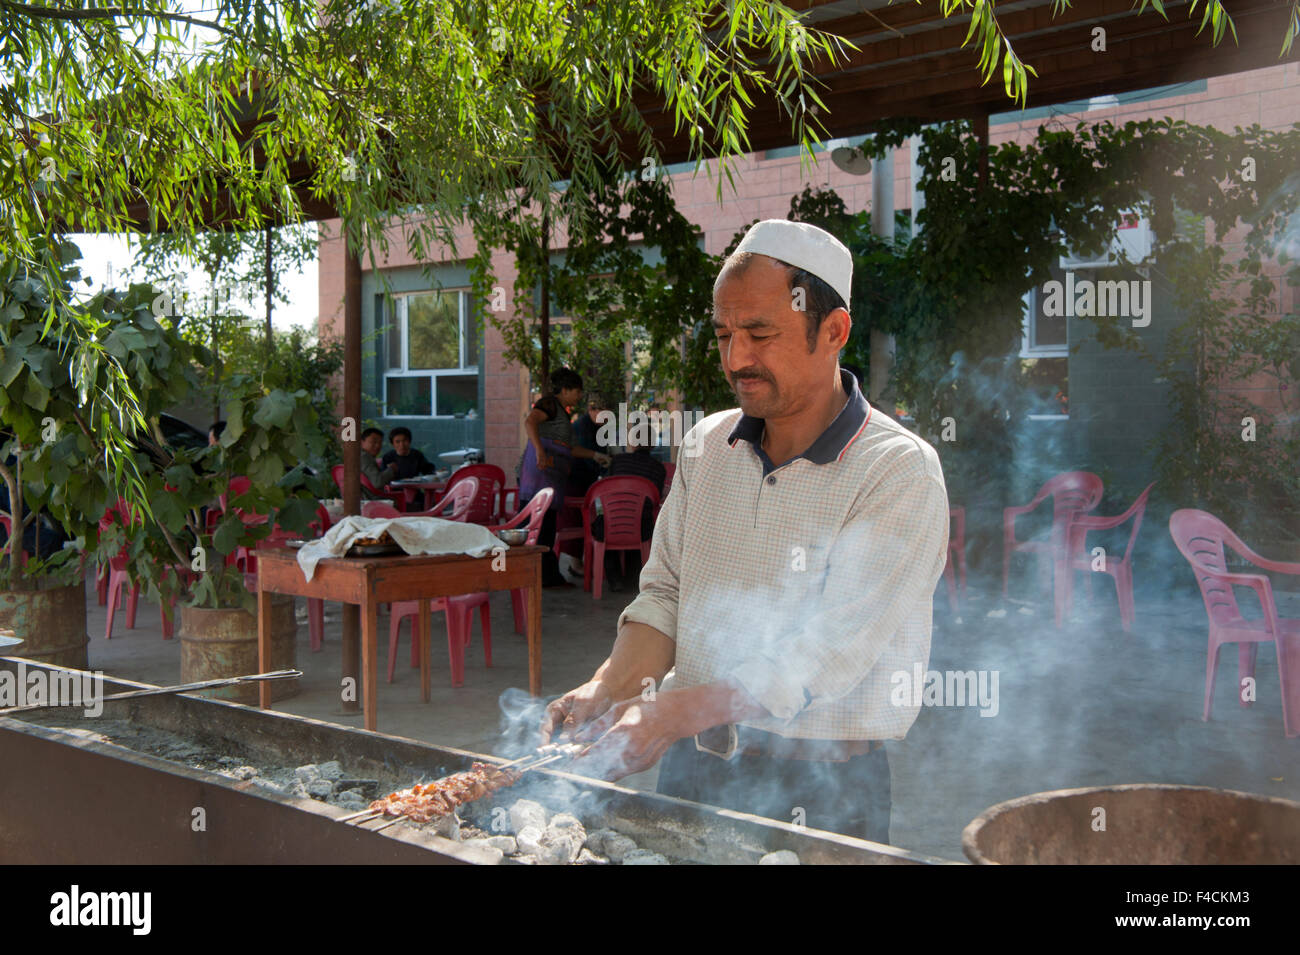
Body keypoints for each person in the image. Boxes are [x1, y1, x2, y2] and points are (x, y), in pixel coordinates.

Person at [540, 219, 950, 845]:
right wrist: (609, 688)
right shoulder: (708, 446)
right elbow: (667, 597)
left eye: (760, 334)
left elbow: (829, 652)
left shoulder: (897, 469)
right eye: (726, 334)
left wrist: (667, 711)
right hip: (692, 769)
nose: (736, 359)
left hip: (822, 791)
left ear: (833, 331)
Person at [519, 367, 611, 587]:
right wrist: (540, 450)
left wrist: (595, 455)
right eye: (577, 391)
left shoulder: (563, 413)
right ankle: (530, 575)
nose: (579, 396)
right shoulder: (549, 404)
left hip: (553, 478)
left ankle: (548, 576)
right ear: (566, 389)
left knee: (548, 528)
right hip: (539, 476)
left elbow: (569, 449)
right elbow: (530, 422)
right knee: (534, 527)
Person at [589, 433, 666, 593]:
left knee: (601, 526)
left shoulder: (617, 461)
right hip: (640, 527)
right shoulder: (659, 468)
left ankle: (614, 579)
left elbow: (606, 487)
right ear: (653, 446)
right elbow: (654, 500)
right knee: (641, 522)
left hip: (611, 524)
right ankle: (632, 579)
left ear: (633, 443)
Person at [359, 427, 398, 496]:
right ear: (362, 442)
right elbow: (377, 482)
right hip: (370, 500)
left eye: (380, 442)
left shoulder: (358, 456)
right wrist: (391, 469)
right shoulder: (364, 457)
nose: (377, 446)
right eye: (373, 442)